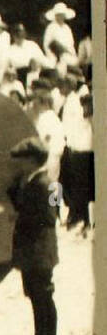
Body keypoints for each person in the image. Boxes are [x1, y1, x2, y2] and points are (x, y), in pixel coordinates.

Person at [7, 136, 60, 335]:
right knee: (39, 295)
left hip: (39, 249)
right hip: (36, 250)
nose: (19, 163)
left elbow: (49, 218)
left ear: (31, 161)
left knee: (42, 296)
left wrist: (23, 218)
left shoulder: (43, 184)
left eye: (22, 159)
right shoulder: (37, 182)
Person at [60, 72, 93, 232]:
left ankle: (78, 216)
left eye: (63, 85)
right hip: (71, 145)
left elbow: (72, 127)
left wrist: (69, 145)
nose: (61, 87)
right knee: (68, 184)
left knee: (76, 185)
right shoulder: (67, 101)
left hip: (74, 146)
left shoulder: (74, 102)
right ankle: (72, 215)